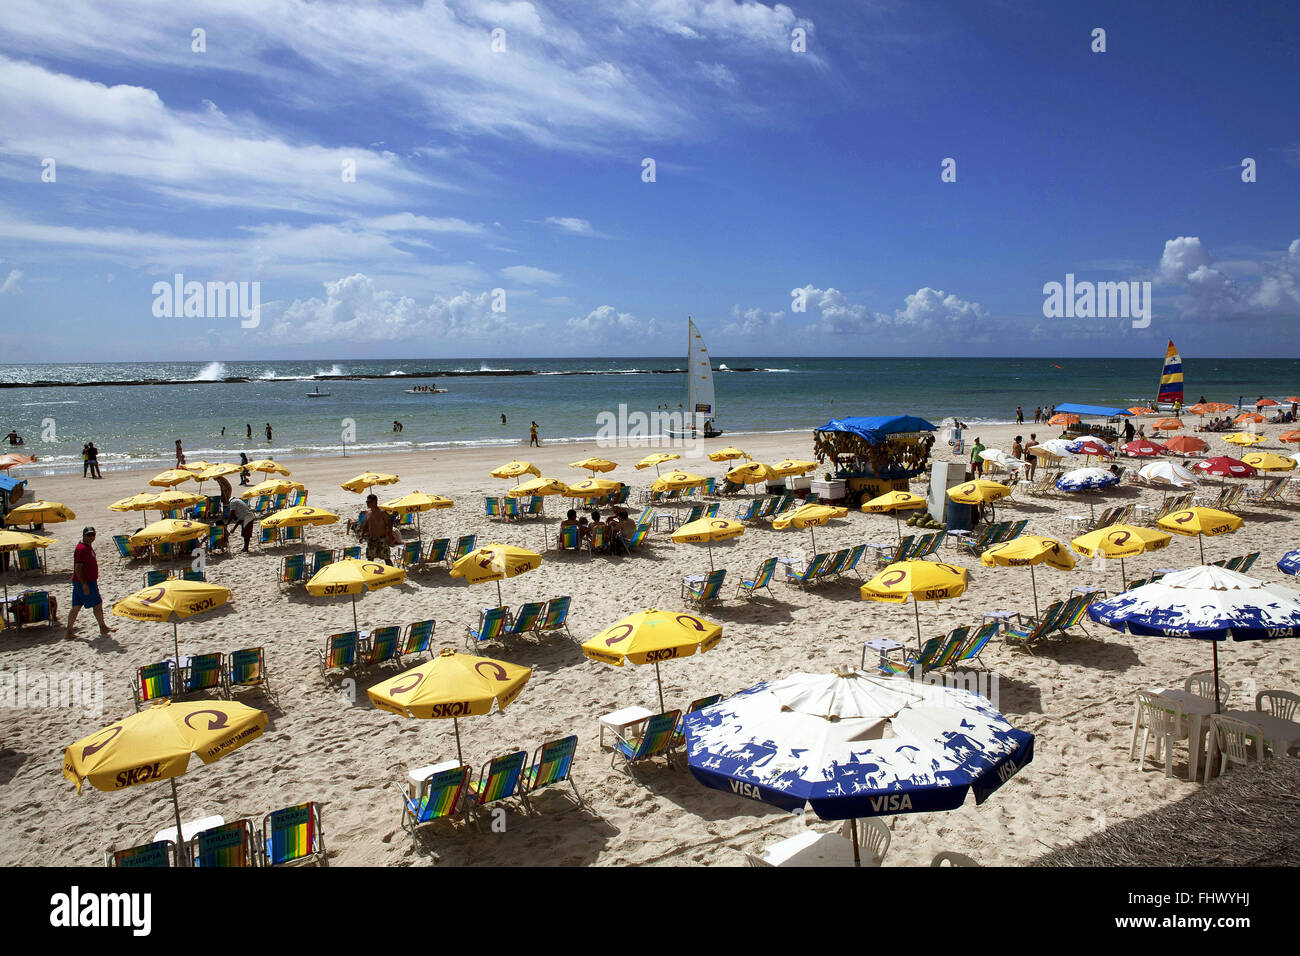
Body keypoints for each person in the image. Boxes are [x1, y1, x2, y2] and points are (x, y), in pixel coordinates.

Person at [65, 528, 114, 638]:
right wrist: (84, 584)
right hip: (85, 582)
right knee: (97, 604)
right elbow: (77, 568)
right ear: (84, 535)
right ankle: (102, 627)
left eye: (93, 535)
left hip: (81, 582)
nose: (91, 537)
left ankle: (68, 632)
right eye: (89, 535)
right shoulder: (82, 549)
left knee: (76, 607)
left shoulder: (86, 546)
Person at [359, 493, 397, 562]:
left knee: (386, 558)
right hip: (371, 538)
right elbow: (366, 525)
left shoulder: (382, 512)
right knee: (370, 558)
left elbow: (389, 524)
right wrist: (362, 535)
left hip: (381, 538)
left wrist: (390, 535)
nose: (367, 503)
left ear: (375, 502)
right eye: (367, 502)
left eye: (369, 502)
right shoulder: (368, 512)